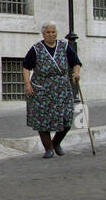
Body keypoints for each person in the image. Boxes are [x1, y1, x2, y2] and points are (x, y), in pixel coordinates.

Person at [23, 22, 82, 158]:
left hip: (62, 88)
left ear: (57, 33)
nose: (51, 35)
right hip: (41, 89)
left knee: (67, 118)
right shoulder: (36, 48)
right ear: (43, 34)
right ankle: (48, 148)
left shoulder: (64, 46)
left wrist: (76, 73)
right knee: (43, 120)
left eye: (53, 32)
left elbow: (76, 62)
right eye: (48, 32)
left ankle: (56, 143)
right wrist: (27, 84)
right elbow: (26, 66)